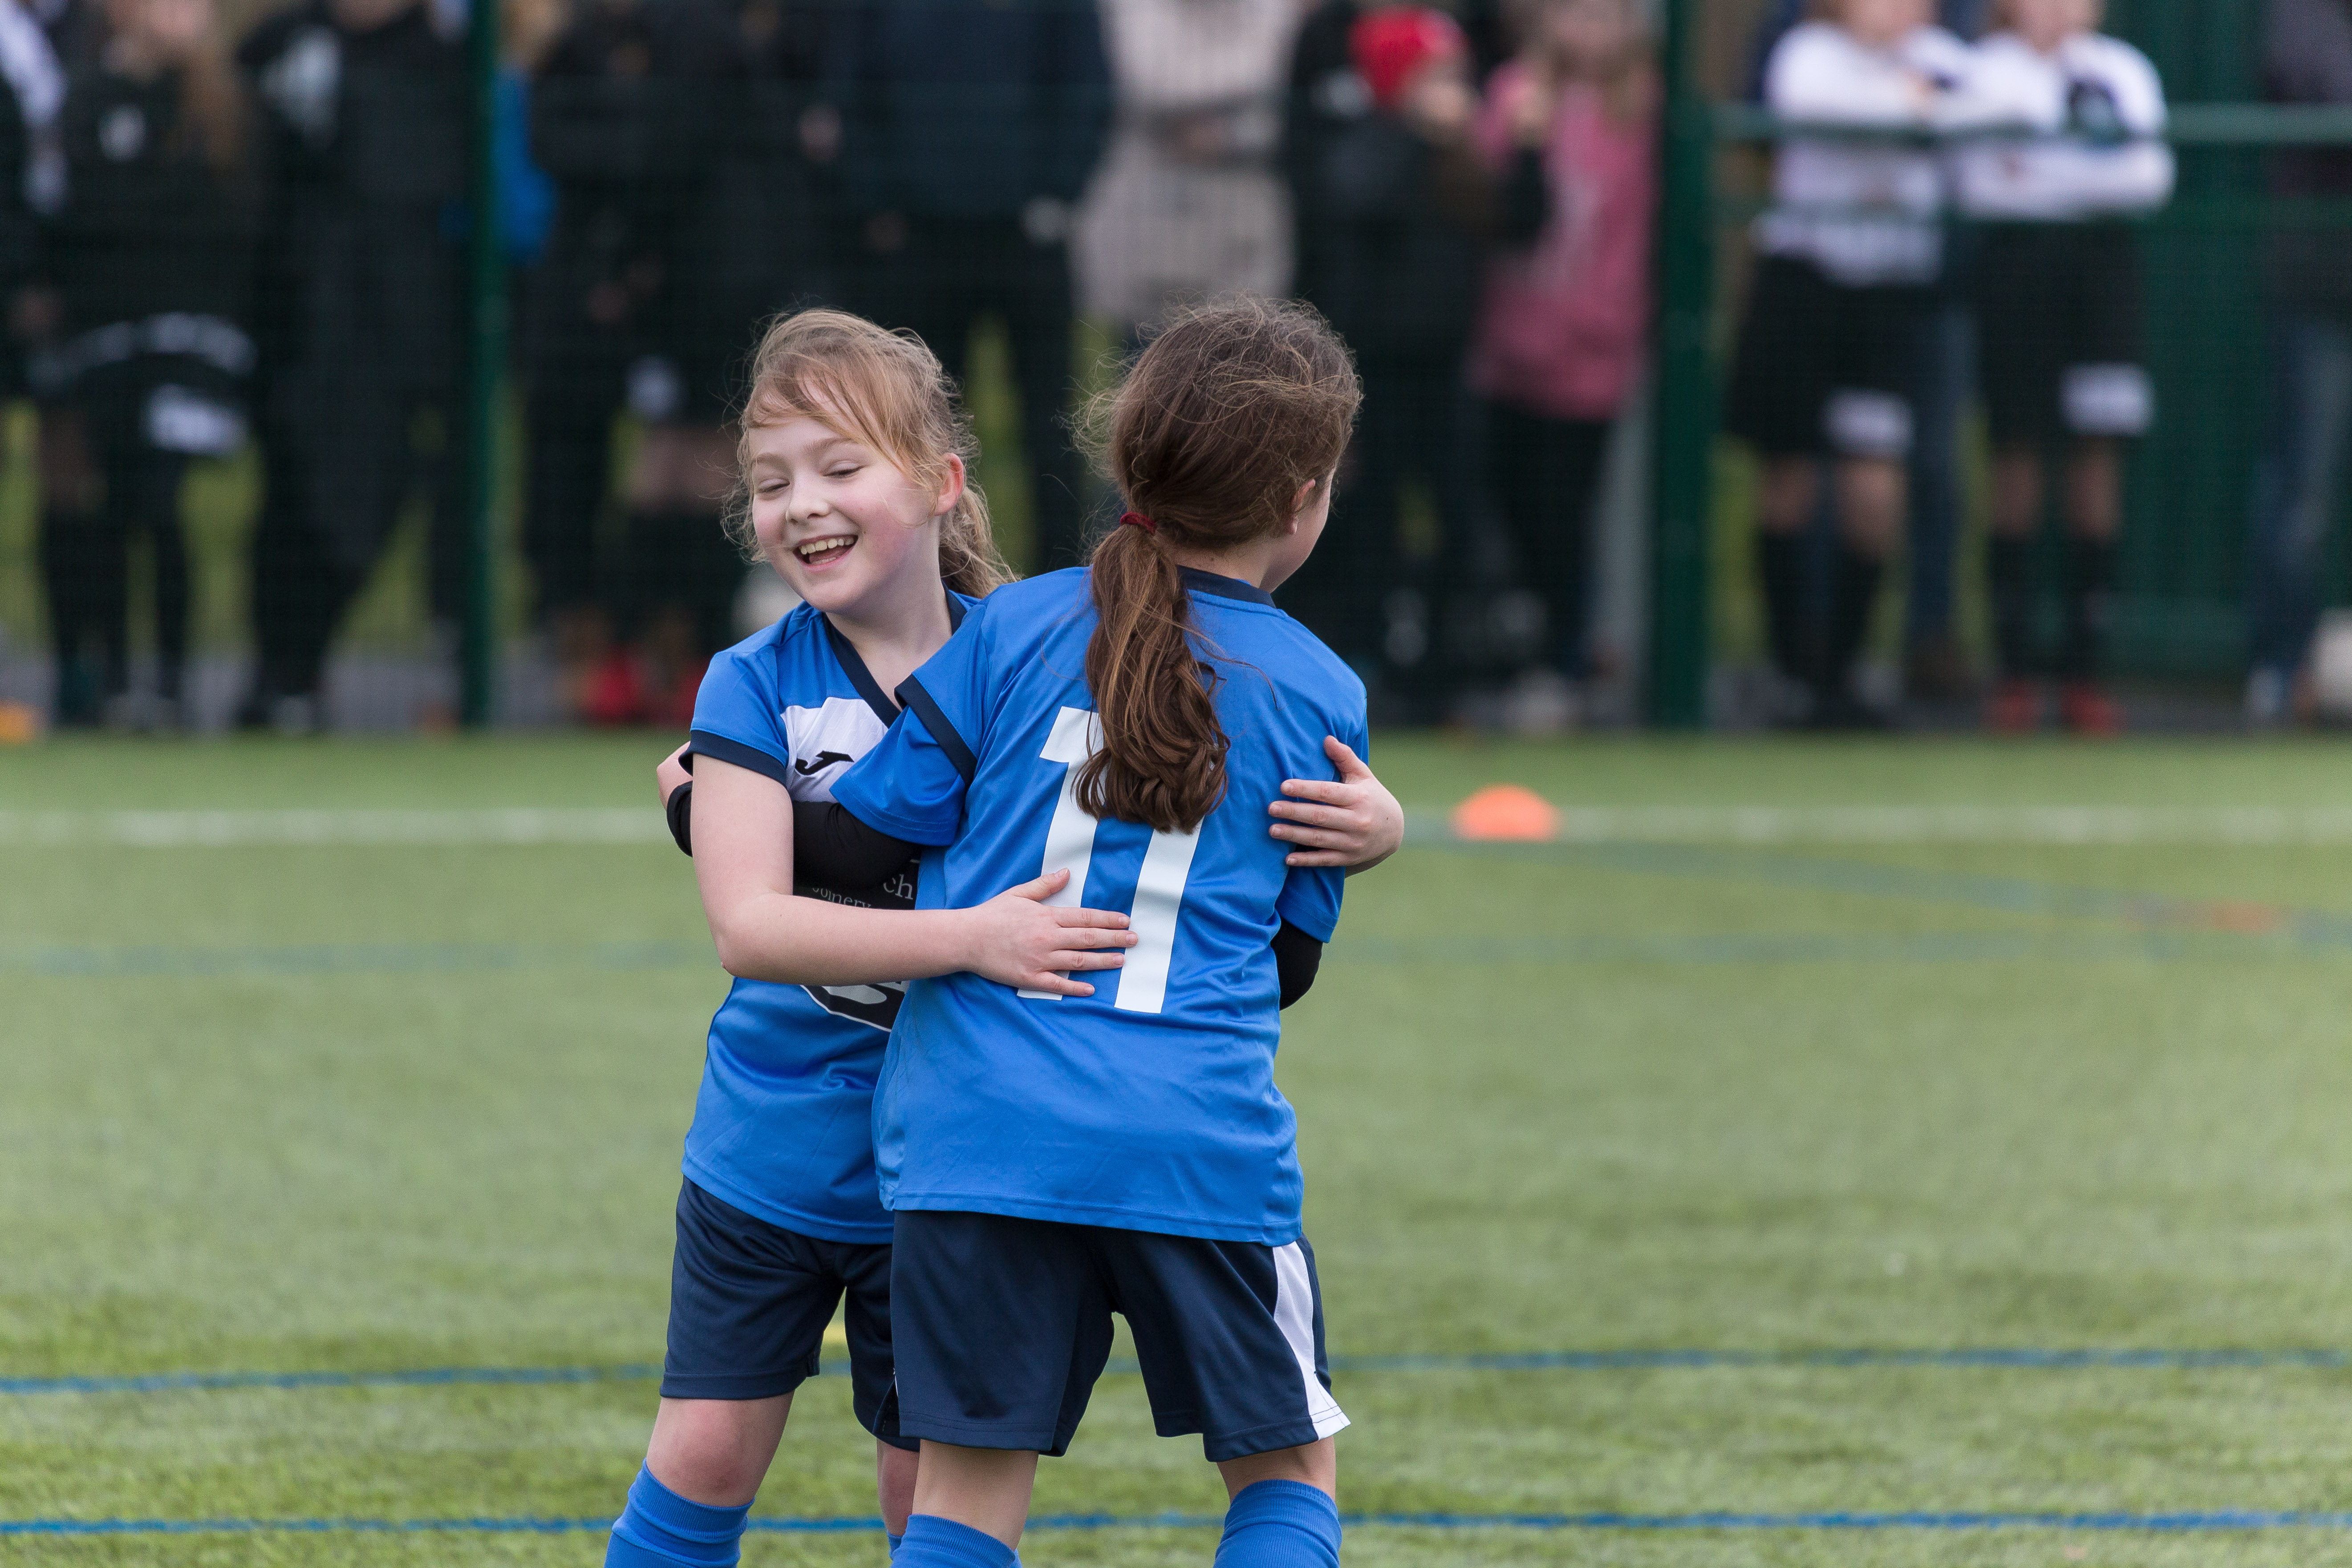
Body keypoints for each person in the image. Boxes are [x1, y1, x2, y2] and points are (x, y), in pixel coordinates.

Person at [611, 306, 1403, 1568]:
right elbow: (1284, 968)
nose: (802, 503)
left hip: (968, 1142)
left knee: (951, 1503)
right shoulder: (1313, 686)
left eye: (838, 466)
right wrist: (1368, 828)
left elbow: (859, 846)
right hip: (1171, 1132)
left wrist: (699, 806)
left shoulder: (1019, 628)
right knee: (1284, 1472)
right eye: (772, 481)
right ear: (1305, 501)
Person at [1724, 0, 1971, 728]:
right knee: (1789, 482)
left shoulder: (1940, 55)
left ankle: (1840, 675)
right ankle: (1783, 672)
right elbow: (1811, 102)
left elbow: (1989, 104)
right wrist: (1911, 105)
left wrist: (1922, 97)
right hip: (1801, 288)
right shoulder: (1807, 51)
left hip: (1885, 302)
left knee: (1873, 494)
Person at [525, 0, 762, 728]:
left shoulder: (701, 39)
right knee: (657, 473)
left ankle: (694, 660)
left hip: (715, 289)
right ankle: (631, 654)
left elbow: (668, 150)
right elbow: (558, 141)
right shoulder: (586, 46)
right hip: (647, 288)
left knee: (702, 471)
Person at [236, 0, 467, 733]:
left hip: (392, 333)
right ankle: (284, 675)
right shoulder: (280, 45)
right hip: (288, 326)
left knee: (369, 495)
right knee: (289, 503)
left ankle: (303, 666)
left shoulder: (437, 61)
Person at [827, 0, 1110, 572]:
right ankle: (926, 585)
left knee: (1050, 423)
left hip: (1027, 237)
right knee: (914, 427)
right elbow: (850, 90)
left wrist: (1056, 195)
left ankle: (1063, 590)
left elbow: (1087, 87)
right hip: (919, 241)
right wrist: (879, 200)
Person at [35, 0, 256, 729]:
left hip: (190, 342)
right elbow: (81, 217)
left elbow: (231, 218)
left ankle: (169, 683)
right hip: (106, 342)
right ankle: (113, 677)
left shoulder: (226, 106)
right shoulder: (88, 97)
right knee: (112, 510)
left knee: (161, 504)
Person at [1954, 0, 2170, 734]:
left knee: (2093, 462)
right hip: (2016, 274)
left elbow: (2147, 177)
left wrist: (2039, 169)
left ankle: (2083, 670)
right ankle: (2011, 670)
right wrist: (2079, 170)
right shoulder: (1983, 72)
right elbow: (1978, 184)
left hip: (2103, 277)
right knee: (2012, 461)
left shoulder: (2120, 71)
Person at [1281, 6, 1492, 717]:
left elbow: (1519, 217)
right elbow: (1357, 197)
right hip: (1376, 377)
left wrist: (1518, 149)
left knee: (1459, 516)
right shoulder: (1371, 144)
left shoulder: (1464, 153)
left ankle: (1441, 667)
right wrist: (1410, 131)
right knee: (1370, 525)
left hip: (1448, 370)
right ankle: (1370, 664)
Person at [1467, 0, 1655, 733]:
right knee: (1505, 510)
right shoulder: (1513, 93)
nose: (1590, 30)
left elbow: (1632, 240)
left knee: (1563, 515)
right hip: (1505, 348)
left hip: (1589, 360)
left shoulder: (1642, 112)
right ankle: (1511, 658)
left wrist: (1598, 327)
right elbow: (1487, 206)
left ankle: (1565, 661)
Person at [1074, 0, 1299, 348]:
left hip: (1241, 231)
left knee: (1238, 366)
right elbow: (1150, 80)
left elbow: (1279, 86)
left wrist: (1227, 133)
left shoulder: (1270, 11)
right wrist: (1240, 97)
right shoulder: (1133, 11)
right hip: (1149, 228)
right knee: (1148, 368)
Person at [2250, 0, 2352, 726]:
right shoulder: (2303, 12)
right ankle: (2280, 671)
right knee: (2301, 491)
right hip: (2318, 279)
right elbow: (2325, 87)